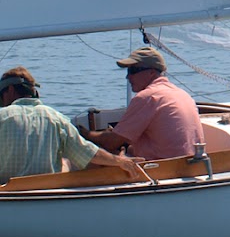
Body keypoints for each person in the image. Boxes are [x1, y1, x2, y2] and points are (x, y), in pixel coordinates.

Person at [0, 67, 145, 183]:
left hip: (8, 194)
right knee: (66, 161)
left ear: (10, 91)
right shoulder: (56, 118)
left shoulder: (3, 116)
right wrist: (119, 161)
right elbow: (87, 152)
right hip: (45, 192)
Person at [85, 46, 203, 161]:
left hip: (163, 169)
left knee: (90, 159)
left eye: (133, 71)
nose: (128, 77)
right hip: (190, 165)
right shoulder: (182, 93)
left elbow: (111, 142)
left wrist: (84, 134)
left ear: (151, 73)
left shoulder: (147, 97)